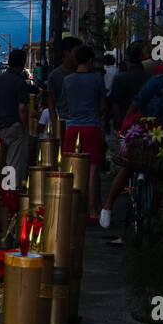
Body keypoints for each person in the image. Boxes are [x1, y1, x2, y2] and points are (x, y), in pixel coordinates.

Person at [99, 42, 148, 229]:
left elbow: (116, 105)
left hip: (128, 128)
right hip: (148, 128)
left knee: (126, 166)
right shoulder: (147, 77)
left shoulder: (121, 79)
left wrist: (119, 124)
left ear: (126, 60)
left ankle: (109, 205)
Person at [60, 45, 107, 221]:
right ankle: (93, 211)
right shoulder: (97, 80)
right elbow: (102, 106)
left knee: (69, 169)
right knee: (93, 170)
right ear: (90, 61)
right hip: (91, 126)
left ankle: (68, 208)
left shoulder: (68, 80)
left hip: (72, 127)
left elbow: (64, 104)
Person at [0, 48, 31, 187]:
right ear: (23, 63)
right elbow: (22, 109)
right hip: (13, 125)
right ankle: (9, 194)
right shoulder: (20, 82)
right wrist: (25, 127)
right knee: (13, 163)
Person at [47, 36, 83, 130]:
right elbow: (51, 103)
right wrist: (56, 126)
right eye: (76, 52)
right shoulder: (55, 75)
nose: (79, 55)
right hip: (64, 121)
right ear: (66, 52)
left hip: (82, 121)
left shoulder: (82, 73)